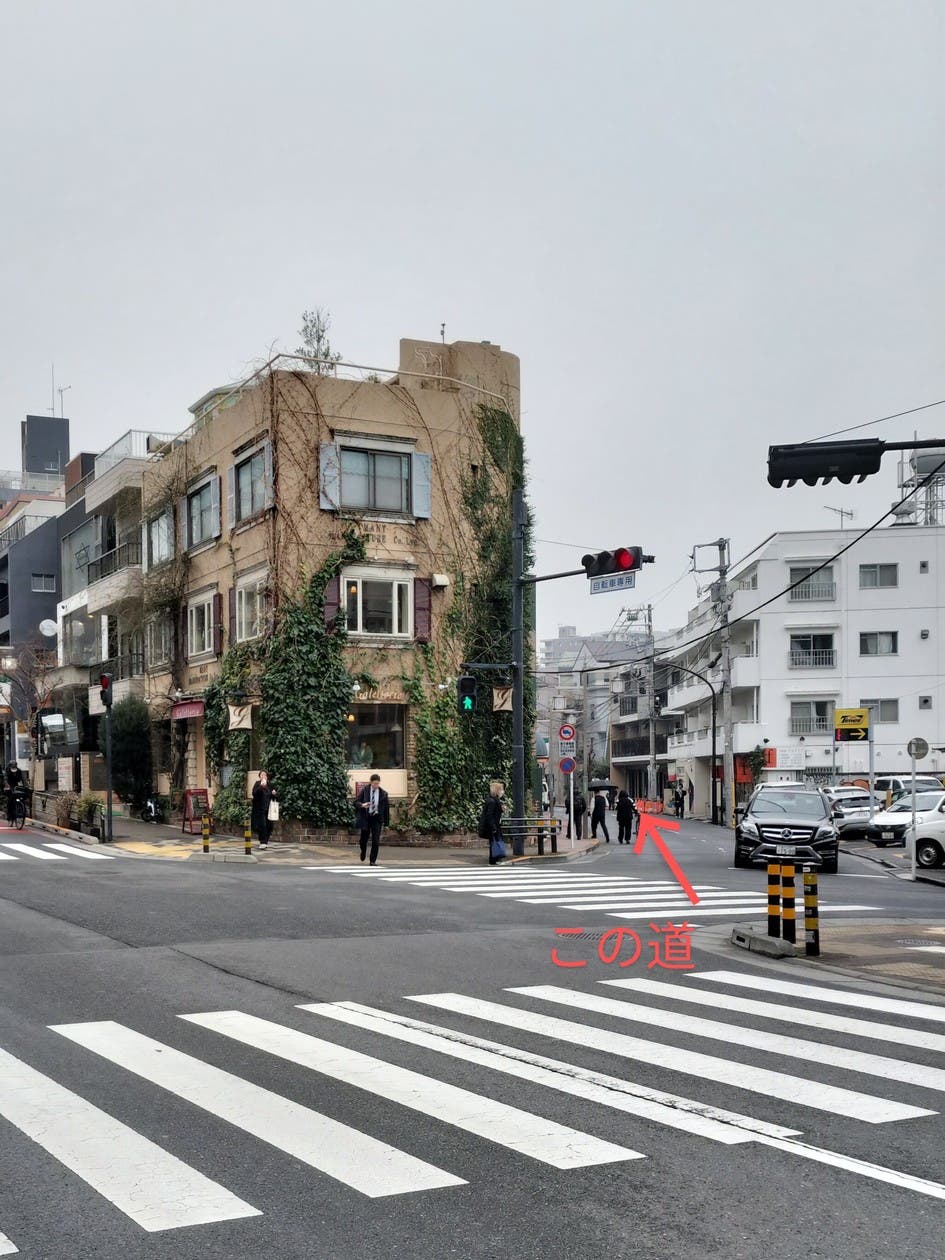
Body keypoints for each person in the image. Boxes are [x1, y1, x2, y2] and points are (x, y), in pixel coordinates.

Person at [356, 772, 389, 865]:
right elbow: (356, 802)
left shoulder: (383, 794)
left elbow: (386, 808)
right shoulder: (365, 790)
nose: (376, 785)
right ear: (371, 782)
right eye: (374, 783)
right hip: (367, 818)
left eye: (378, 783)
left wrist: (386, 823)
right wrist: (363, 805)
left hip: (377, 818)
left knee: (376, 840)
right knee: (363, 840)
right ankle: (363, 851)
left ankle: (372, 860)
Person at [481, 780, 507, 864]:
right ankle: (494, 859)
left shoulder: (493, 800)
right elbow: (490, 815)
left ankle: (494, 859)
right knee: (494, 842)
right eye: (501, 789)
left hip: (494, 825)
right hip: (493, 826)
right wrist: (493, 827)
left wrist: (501, 809)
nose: (502, 791)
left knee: (494, 842)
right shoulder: (492, 801)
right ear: (497, 790)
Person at [251, 771, 278, 849]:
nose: (264, 776)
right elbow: (254, 794)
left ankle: (265, 841)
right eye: (262, 775)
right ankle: (263, 842)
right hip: (260, 809)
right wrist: (260, 787)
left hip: (269, 809)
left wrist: (274, 794)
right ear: (259, 776)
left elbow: (276, 796)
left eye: (265, 775)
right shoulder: (257, 784)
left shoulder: (270, 785)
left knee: (269, 826)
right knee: (262, 825)